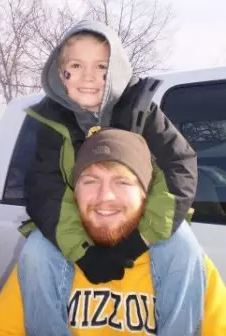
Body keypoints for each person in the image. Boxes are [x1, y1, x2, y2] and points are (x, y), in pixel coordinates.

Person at [17, 20, 200, 335]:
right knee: (34, 253)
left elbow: (179, 164)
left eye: (101, 66)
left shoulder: (140, 110)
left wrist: (137, 241)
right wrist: (82, 253)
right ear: (60, 73)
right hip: (76, 221)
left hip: (139, 221)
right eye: (76, 65)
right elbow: (44, 190)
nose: (89, 77)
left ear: (116, 68)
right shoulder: (49, 121)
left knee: (184, 246)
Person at [0, 129, 226, 336]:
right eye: (90, 181)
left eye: (122, 182)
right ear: (73, 193)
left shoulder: (184, 261)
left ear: (146, 193)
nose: (104, 197)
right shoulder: (45, 259)